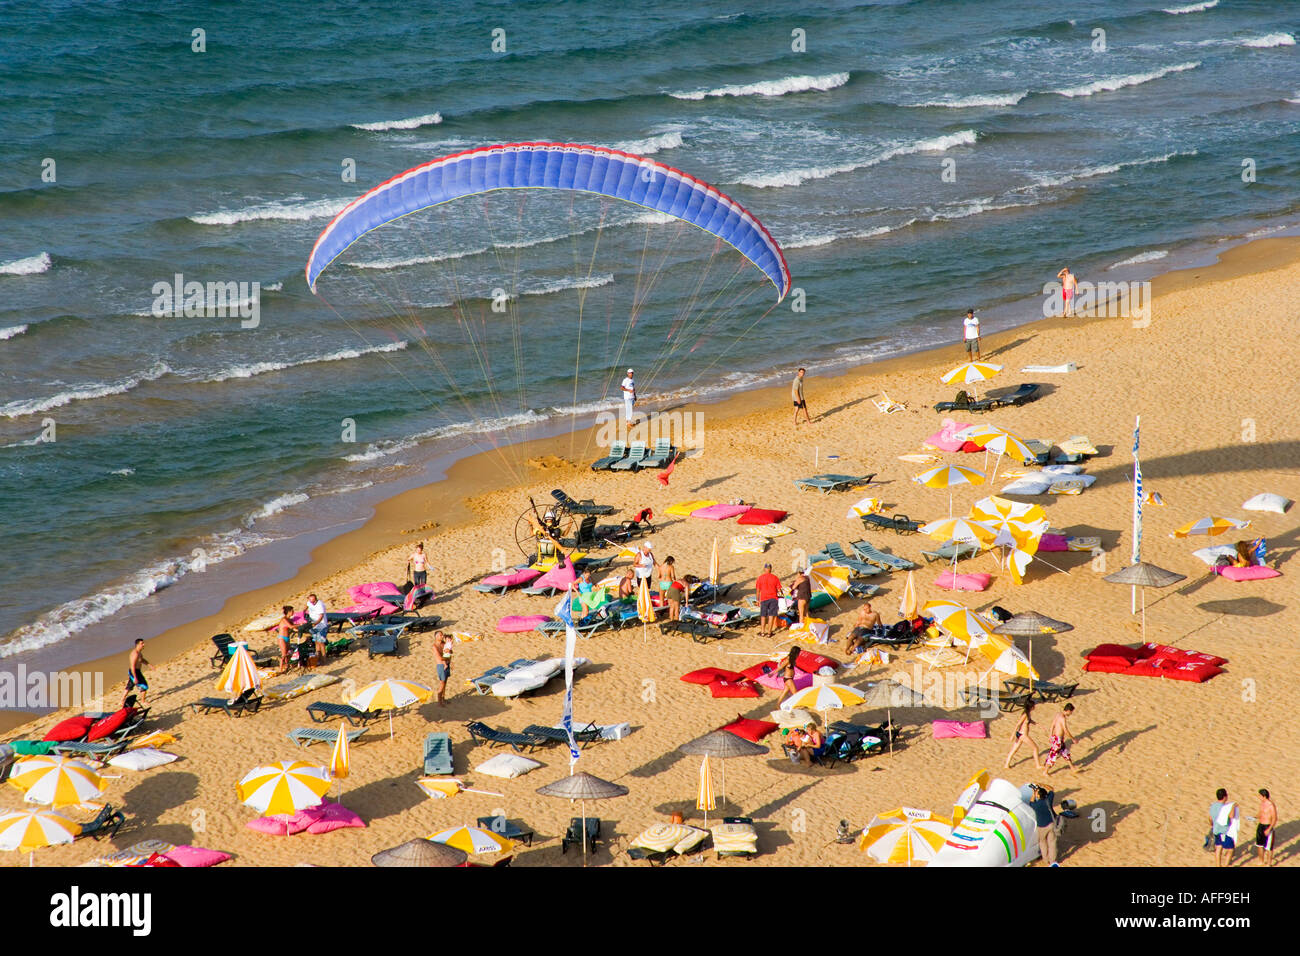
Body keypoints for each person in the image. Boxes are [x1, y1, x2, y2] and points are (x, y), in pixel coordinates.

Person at [1028, 783, 1059, 866]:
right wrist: (1043, 785)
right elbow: (1052, 789)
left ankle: (1046, 860)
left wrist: (1034, 792)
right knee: (1052, 843)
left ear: (1038, 796)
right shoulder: (1048, 800)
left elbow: (1031, 801)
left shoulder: (1036, 805)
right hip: (1051, 823)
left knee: (1043, 843)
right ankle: (1052, 861)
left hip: (1041, 826)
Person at [1005, 700, 1041, 769]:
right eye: (1034, 705)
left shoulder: (1028, 713)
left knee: (1014, 750)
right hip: (1023, 735)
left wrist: (1036, 723)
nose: (1034, 706)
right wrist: (1012, 735)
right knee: (1035, 748)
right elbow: (1018, 724)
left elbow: (1029, 720)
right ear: (1031, 707)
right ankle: (1037, 765)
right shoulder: (1025, 714)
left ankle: (1006, 765)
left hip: (1021, 734)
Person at [1044, 703, 1077, 774]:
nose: (1071, 714)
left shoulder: (1058, 714)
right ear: (1068, 710)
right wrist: (1072, 738)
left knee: (1065, 753)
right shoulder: (1062, 718)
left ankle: (1072, 768)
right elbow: (1065, 730)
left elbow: (1052, 725)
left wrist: (1050, 736)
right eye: (1071, 712)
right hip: (1057, 739)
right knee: (1052, 755)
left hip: (1059, 739)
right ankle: (1045, 771)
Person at [1210, 788, 1239, 867]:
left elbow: (1210, 818)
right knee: (1231, 848)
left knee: (1218, 848)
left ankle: (1218, 865)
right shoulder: (1225, 807)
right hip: (1224, 831)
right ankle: (1225, 865)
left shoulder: (1213, 805)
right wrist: (1233, 806)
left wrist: (1212, 826)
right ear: (1225, 796)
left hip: (1215, 830)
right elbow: (1231, 816)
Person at [755, 563, 782, 636]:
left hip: (764, 598)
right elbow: (779, 590)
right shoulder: (775, 578)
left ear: (764, 569)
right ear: (771, 569)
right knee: (771, 615)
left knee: (763, 616)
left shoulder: (760, 578)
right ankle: (769, 632)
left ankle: (763, 632)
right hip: (773, 598)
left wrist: (757, 600)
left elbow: (758, 590)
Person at [267, 605, 295, 674]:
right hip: (282, 638)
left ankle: (286, 666)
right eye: (292, 611)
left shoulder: (289, 620)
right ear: (288, 612)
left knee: (288, 653)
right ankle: (281, 669)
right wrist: (300, 624)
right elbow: (291, 626)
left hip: (287, 638)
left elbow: (294, 628)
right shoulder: (284, 619)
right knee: (284, 654)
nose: (293, 612)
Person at [304, 593, 328, 664]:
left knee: (321, 643)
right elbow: (306, 607)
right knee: (316, 642)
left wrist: (315, 623)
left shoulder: (320, 605)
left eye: (313, 601)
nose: (312, 603)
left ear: (316, 600)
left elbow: (321, 617)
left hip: (321, 625)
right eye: (311, 601)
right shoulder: (309, 602)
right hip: (314, 624)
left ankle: (324, 659)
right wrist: (304, 614)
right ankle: (318, 658)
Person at [1255, 789, 1277, 866]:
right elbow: (1261, 813)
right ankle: (1261, 860)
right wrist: (1254, 817)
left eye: (1260, 796)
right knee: (1259, 845)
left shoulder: (1271, 805)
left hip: (1267, 826)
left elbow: (1274, 818)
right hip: (1260, 825)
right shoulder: (1262, 803)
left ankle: (1269, 863)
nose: (1259, 797)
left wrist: (1269, 829)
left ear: (1264, 796)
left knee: (1269, 847)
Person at [125, 639, 149, 705]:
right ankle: (143, 701)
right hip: (134, 672)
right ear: (137, 645)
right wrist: (135, 677)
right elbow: (132, 666)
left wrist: (149, 664)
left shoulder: (139, 653)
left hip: (137, 671)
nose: (144, 645)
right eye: (142, 643)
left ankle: (121, 700)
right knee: (144, 686)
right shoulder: (135, 654)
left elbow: (141, 660)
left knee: (130, 686)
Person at [657, 556, 682, 620]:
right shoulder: (671, 567)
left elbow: (658, 576)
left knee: (661, 599)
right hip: (669, 583)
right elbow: (673, 576)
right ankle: (671, 614)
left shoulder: (661, 566)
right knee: (670, 600)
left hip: (662, 583)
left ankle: (661, 612)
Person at [432, 630, 453, 705]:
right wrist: (446, 659)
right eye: (440, 635)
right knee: (442, 683)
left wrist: (449, 651)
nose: (442, 636)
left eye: (442, 635)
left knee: (445, 683)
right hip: (441, 666)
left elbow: (450, 652)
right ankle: (439, 701)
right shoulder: (435, 646)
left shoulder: (444, 644)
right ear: (436, 637)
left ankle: (443, 699)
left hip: (447, 664)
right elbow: (439, 657)